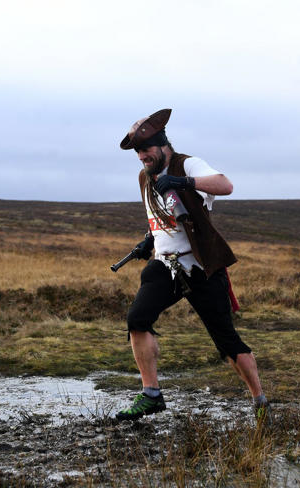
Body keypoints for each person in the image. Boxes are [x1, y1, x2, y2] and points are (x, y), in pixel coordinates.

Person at [115, 108, 267, 421]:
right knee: (137, 319)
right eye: (139, 154)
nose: (143, 158)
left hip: (200, 267)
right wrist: (150, 240)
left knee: (227, 342)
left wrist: (182, 181)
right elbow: (160, 216)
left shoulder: (187, 164)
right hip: (165, 265)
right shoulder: (145, 177)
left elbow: (225, 185)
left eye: (146, 151)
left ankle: (259, 399)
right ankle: (151, 394)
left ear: (161, 145)